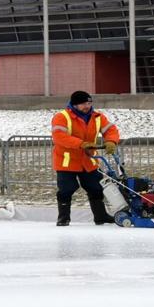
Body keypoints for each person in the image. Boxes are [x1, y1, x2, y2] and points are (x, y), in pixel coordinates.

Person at [50, 91, 123, 226]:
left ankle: (100, 216)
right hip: (67, 161)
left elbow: (110, 130)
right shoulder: (62, 117)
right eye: (84, 103)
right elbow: (59, 137)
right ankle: (63, 218)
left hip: (88, 161)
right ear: (75, 104)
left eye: (89, 103)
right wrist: (81, 144)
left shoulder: (98, 117)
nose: (87, 106)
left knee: (96, 187)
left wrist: (111, 141)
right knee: (66, 189)